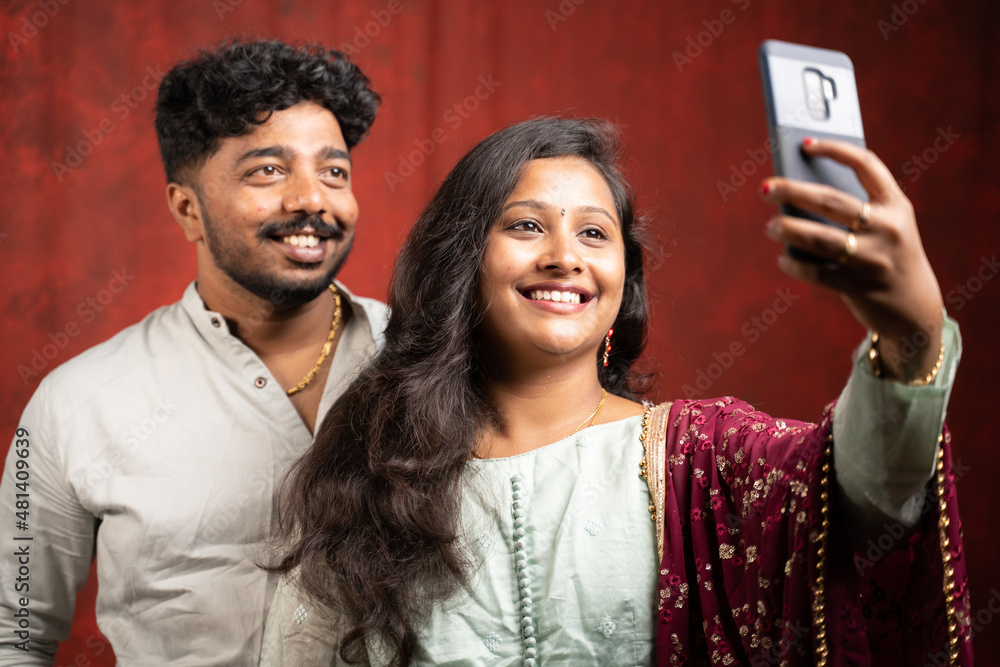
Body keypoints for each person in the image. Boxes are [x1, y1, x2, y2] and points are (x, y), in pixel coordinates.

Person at [262, 118, 969, 666]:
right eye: (527, 225)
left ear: (623, 276)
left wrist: (910, 333)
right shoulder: (370, 473)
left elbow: (868, 502)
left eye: (594, 233)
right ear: (461, 261)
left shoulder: (702, 462)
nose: (565, 256)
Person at [0, 40, 387, 665]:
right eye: (268, 169)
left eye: (334, 171)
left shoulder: (426, 363)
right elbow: (12, 631)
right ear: (188, 210)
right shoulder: (75, 403)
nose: (312, 199)